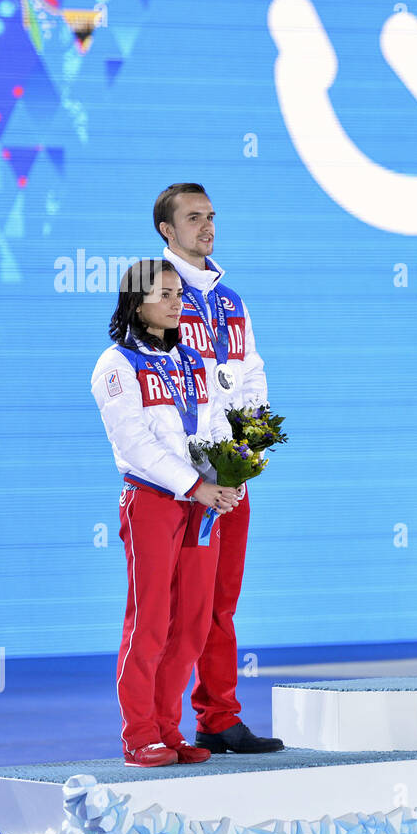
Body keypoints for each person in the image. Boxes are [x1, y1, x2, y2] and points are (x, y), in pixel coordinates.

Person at [91, 259, 240, 766]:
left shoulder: (193, 360)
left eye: (180, 293)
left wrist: (228, 475)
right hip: (154, 502)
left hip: (201, 506)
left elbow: (214, 421)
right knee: (150, 619)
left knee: (193, 622)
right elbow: (133, 442)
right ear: (136, 303)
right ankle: (139, 736)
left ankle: (169, 729)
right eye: (166, 294)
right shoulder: (115, 366)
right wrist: (195, 485)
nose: (179, 302)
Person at [154, 183, 283, 753]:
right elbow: (151, 380)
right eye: (193, 217)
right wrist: (193, 470)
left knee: (222, 600)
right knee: (179, 606)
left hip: (230, 472)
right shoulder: (155, 293)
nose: (207, 226)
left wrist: (249, 445)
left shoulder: (230, 299)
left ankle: (218, 715)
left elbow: (250, 372)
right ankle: (156, 728)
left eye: (211, 216)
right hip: (184, 481)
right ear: (166, 230)